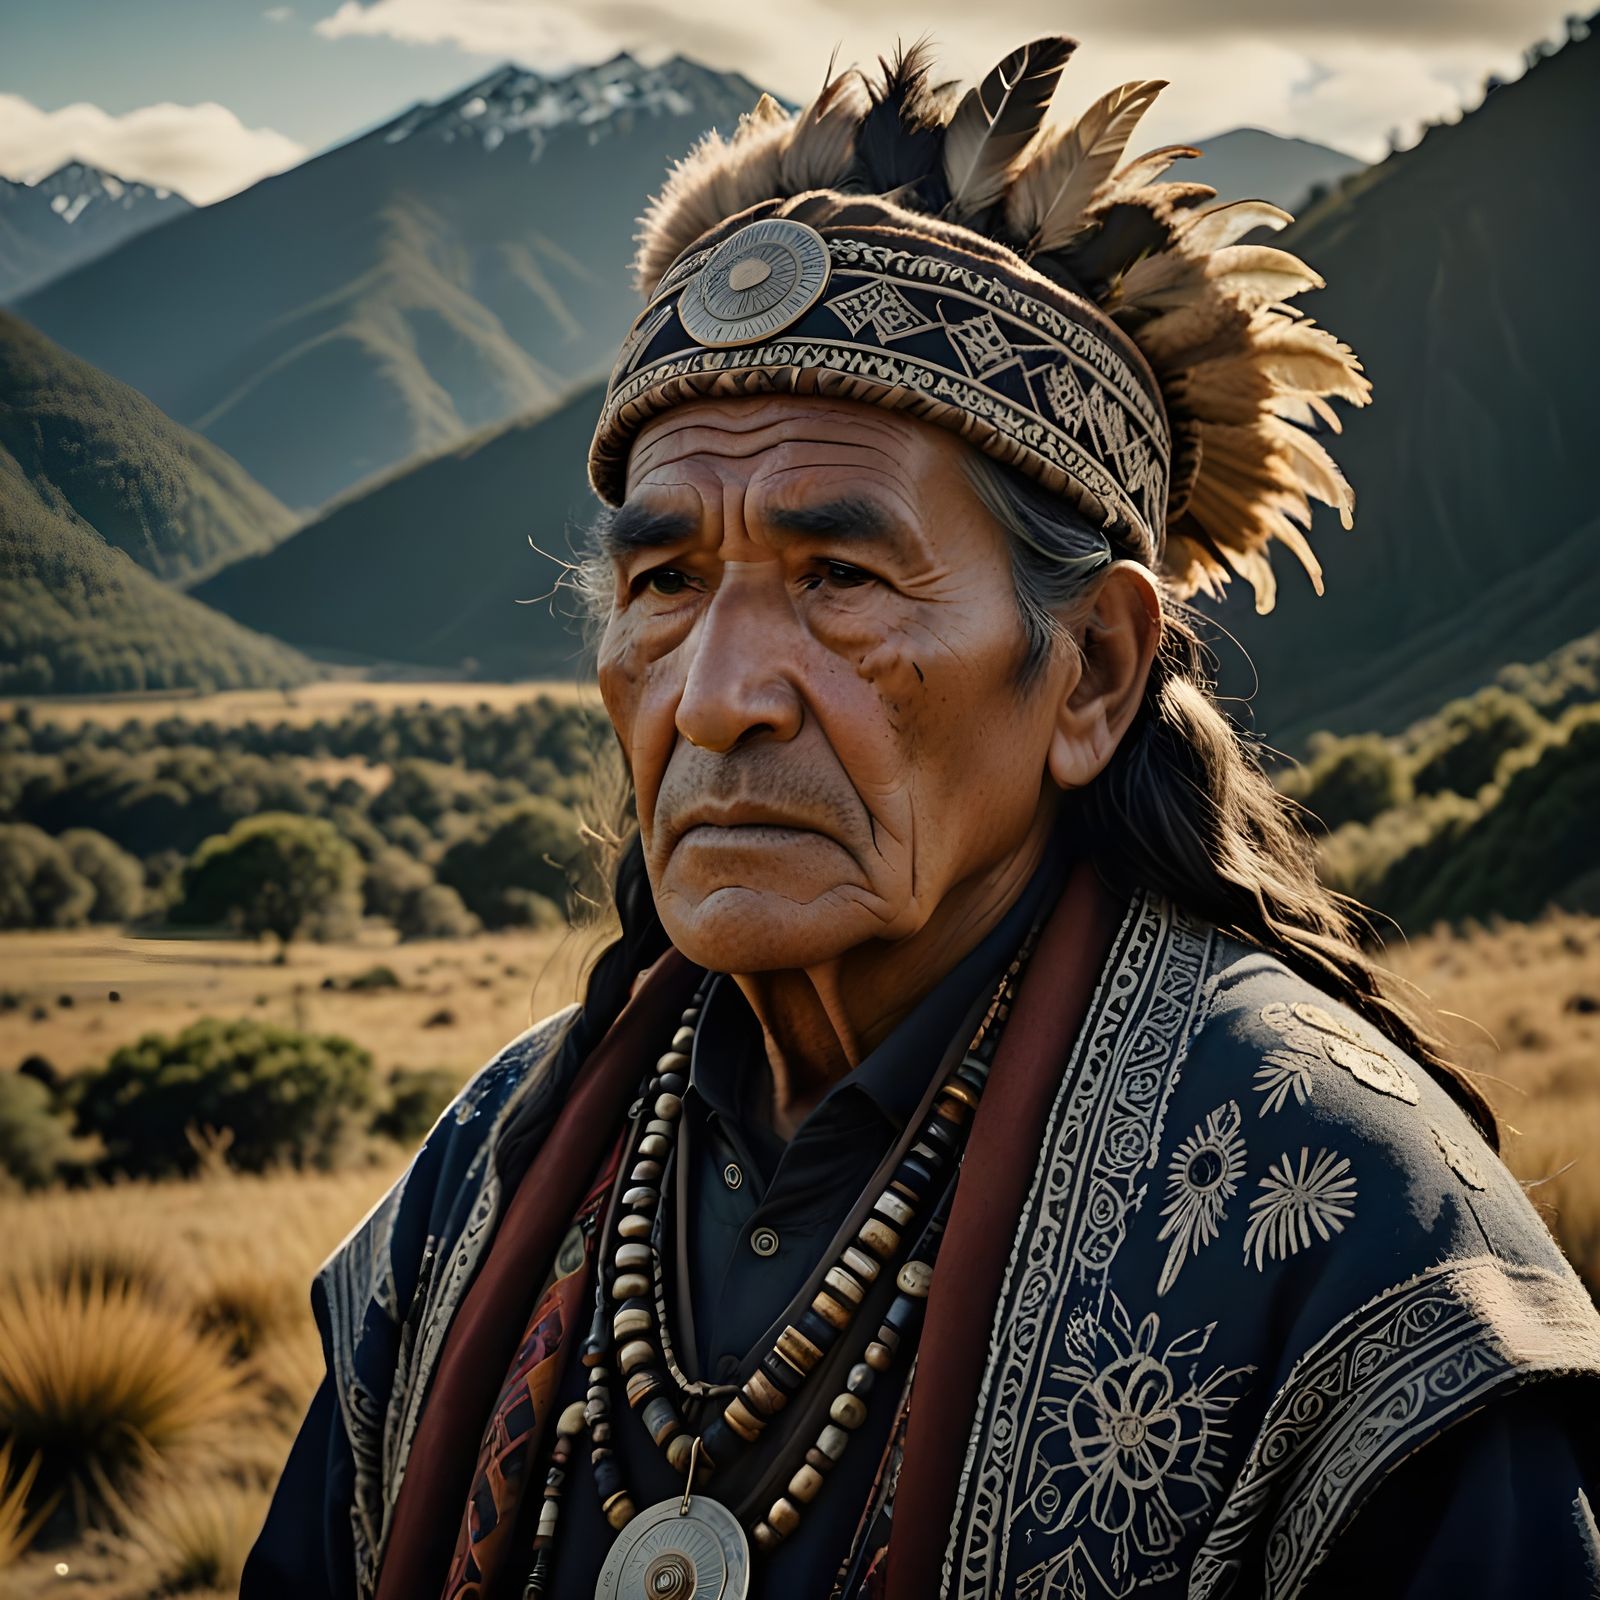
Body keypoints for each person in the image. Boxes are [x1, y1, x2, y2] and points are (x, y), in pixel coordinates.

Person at [244, 36, 1600, 1600]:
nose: (718, 694)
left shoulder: (1349, 1230)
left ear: (1091, 670)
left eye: (841, 578)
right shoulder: (481, 1178)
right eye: (665, 582)